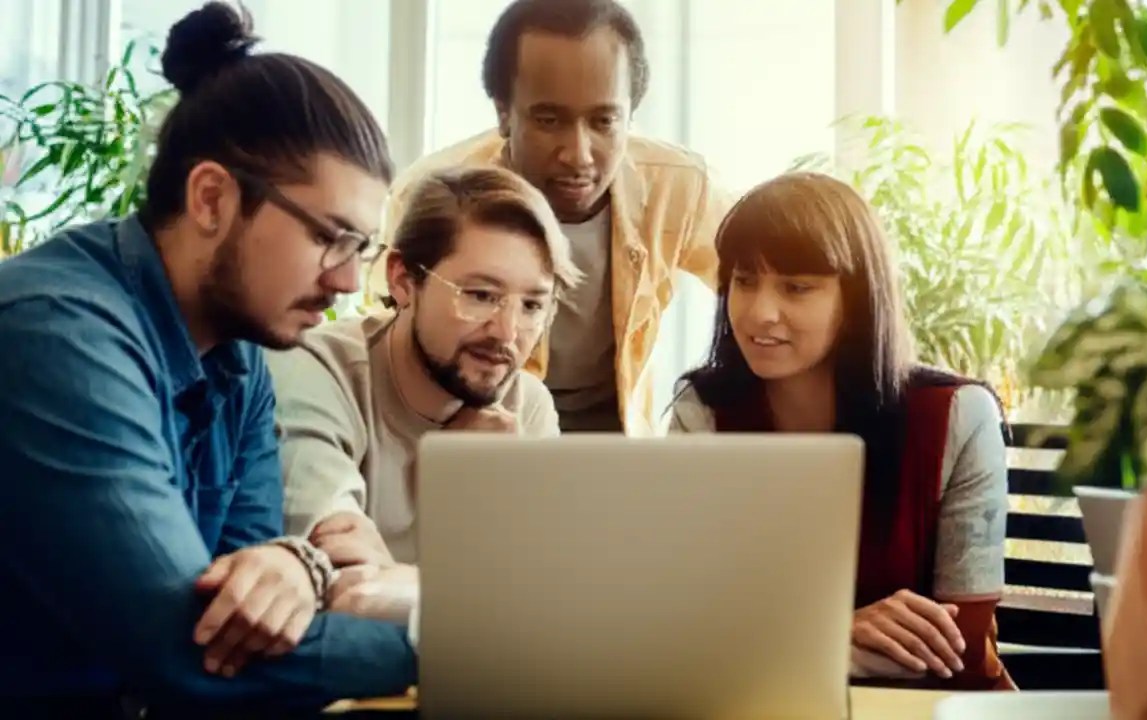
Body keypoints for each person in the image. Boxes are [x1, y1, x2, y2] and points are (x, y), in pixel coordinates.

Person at [0, 3, 415, 714]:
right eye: (330, 238)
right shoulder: (57, 334)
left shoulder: (238, 356)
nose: (350, 281)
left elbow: (245, 613)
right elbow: (188, 649)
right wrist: (463, 639)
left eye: (361, 249)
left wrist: (295, 566)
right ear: (212, 198)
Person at [667, 172, 1014, 691]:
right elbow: (687, 620)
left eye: (796, 287)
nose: (759, 313)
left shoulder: (958, 415)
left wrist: (783, 643)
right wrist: (833, 639)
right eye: (744, 280)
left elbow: (955, 647)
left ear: (856, 298)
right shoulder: (703, 411)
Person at [381, 0, 733, 435]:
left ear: (630, 114)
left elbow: (766, 279)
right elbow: (388, 341)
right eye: (549, 120)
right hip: (474, 430)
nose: (578, 156)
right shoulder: (431, 196)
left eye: (604, 121)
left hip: (616, 443)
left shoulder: (677, 186)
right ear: (503, 112)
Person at [267, 166, 580, 595]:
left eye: (532, 306)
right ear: (402, 280)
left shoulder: (526, 407)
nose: (507, 333)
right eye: (480, 296)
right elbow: (344, 578)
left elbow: (542, 591)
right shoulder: (317, 371)